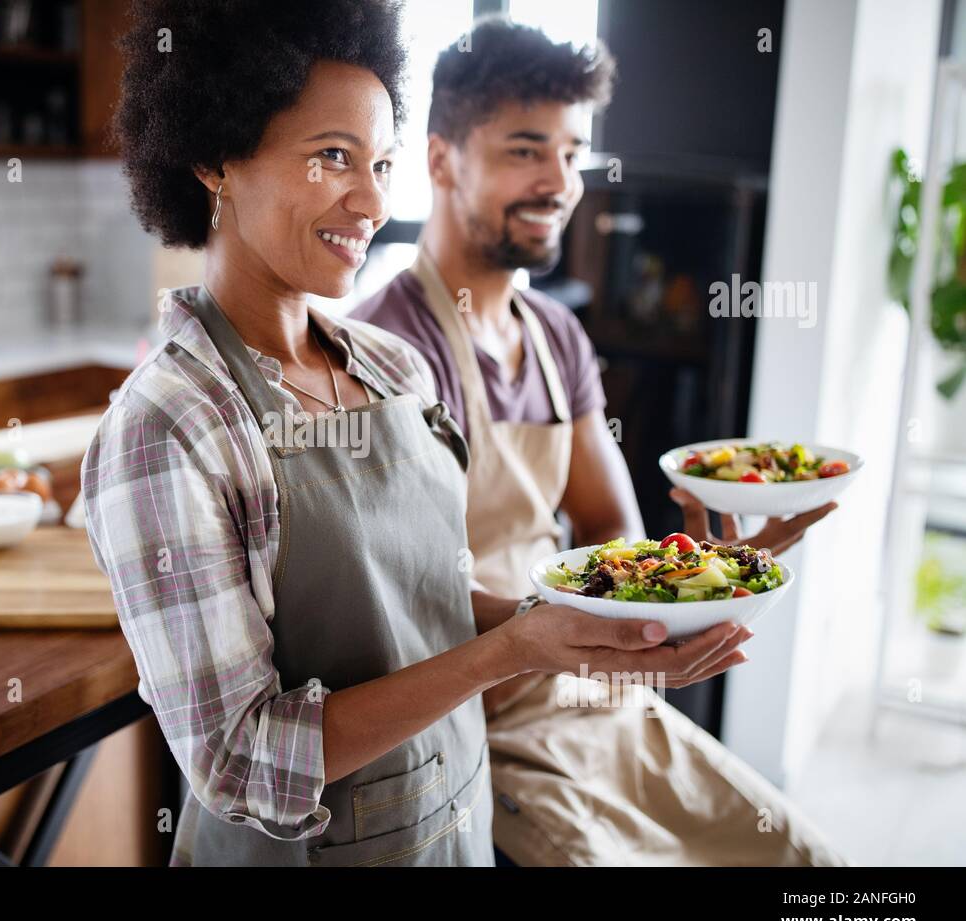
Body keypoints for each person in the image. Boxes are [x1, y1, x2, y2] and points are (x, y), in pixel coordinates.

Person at [82, 0, 751, 867]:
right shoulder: (167, 427)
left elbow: (424, 600)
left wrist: (580, 633)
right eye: (333, 158)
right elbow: (239, 761)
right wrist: (510, 652)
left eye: (382, 162)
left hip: (455, 823)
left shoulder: (393, 368)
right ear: (215, 158)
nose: (370, 200)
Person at [352, 18, 845, 866]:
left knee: (806, 864)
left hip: (590, 691)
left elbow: (610, 539)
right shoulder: (385, 351)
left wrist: (705, 570)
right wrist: (577, 633)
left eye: (573, 153)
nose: (559, 182)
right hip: (473, 720)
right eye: (525, 150)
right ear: (440, 160)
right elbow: (401, 602)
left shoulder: (556, 337)